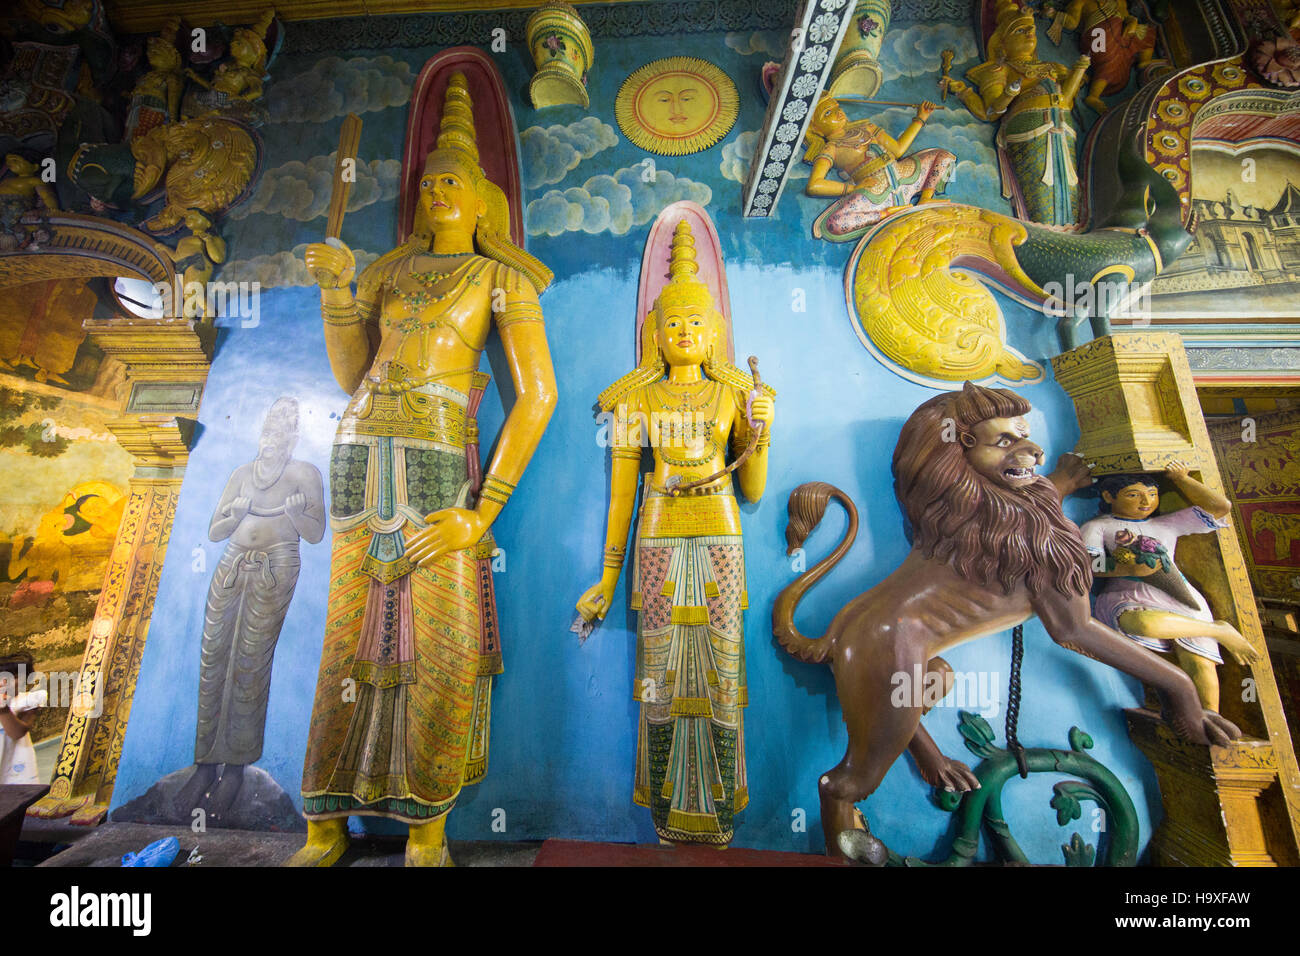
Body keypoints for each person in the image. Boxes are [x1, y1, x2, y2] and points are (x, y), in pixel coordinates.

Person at [288, 72, 556, 867]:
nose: (440, 191)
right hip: (358, 447)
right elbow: (350, 375)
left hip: (439, 457)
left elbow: (537, 398)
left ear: (482, 200)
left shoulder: (502, 278)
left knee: (437, 636)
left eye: (456, 182)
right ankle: (324, 819)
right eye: (431, 181)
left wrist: (484, 513)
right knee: (348, 638)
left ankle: (426, 827)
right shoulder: (388, 274)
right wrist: (340, 294)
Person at [576, 219, 775, 847]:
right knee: (660, 671)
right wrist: (607, 577)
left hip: (719, 533)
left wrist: (762, 428)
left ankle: (717, 811)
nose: (685, 332)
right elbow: (620, 498)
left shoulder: (733, 397)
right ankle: (667, 811)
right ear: (655, 335)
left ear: (714, 332)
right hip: (658, 536)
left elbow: (755, 490)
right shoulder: (636, 401)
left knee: (720, 667)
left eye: (696, 322)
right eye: (673, 324)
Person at [173, 397, 324, 821]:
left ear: (293, 437)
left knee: (250, 664)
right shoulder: (242, 474)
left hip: (275, 569)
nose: (271, 440)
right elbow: (216, 530)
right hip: (231, 566)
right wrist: (235, 512)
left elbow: (315, 535)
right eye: (267, 431)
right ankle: (204, 766)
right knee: (213, 662)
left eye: (281, 432)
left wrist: (296, 516)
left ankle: (235, 768)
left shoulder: (304, 475)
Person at [1080, 462, 1262, 712]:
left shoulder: (1166, 524)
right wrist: (1127, 568)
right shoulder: (1098, 526)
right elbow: (1090, 564)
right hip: (1128, 594)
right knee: (1143, 624)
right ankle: (1218, 630)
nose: (1145, 502)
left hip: (1181, 597)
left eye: (1152, 495)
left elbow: (1221, 507)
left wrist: (1181, 479)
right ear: (1109, 496)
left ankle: (1210, 718)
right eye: (1134, 495)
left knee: (1199, 661)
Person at [803, 94, 953, 241]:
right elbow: (814, 185)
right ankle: (885, 215)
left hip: (902, 173)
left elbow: (898, 150)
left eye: (837, 107)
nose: (838, 112)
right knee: (834, 223)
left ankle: (926, 198)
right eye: (827, 113)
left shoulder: (867, 128)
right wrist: (852, 189)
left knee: (945, 157)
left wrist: (921, 118)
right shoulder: (831, 149)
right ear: (815, 129)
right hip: (875, 189)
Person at [0, 653, 46, 785]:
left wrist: (3, 711)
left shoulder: (28, 700)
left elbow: (18, 732)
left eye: (13, 677)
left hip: (14, 768)